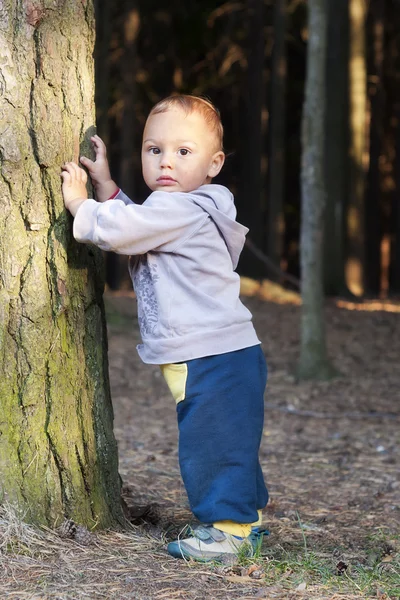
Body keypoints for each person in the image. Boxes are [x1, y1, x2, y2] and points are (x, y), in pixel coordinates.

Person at [61, 95, 269, 562]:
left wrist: (79, 202)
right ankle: (245, 522)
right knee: (228, 437)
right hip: (219, 352)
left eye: (183, 152)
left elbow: (122, 230)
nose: (166, 162)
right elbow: (143, 223)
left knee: (212, 443)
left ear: (214, 163)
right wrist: (108, 186)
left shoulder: (185, 209)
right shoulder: (180, 210)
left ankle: (228, 533)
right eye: (154, 150)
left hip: (213, 355)